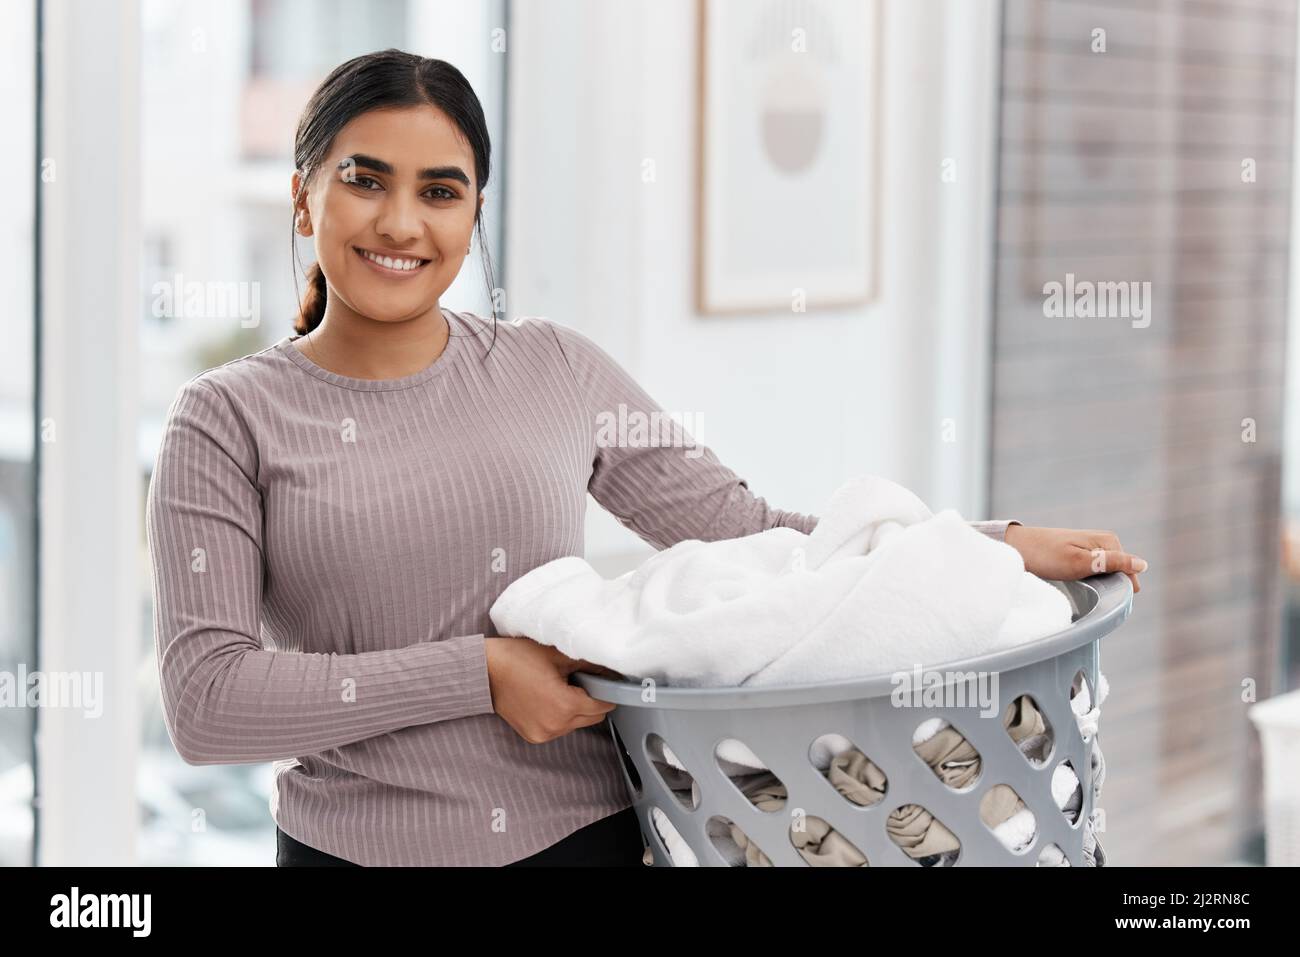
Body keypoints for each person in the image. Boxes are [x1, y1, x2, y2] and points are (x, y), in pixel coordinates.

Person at [145, 50, 1147, 868]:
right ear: (301, 198)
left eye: (439, 192)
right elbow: (209, 703)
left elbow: (748, 535)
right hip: (347, 860)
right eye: (364, 181)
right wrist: (482, 673)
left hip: (590, 841)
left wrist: (985, 547)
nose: (402, 222)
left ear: (473, 215)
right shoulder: (224, 420)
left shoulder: (554, 369)